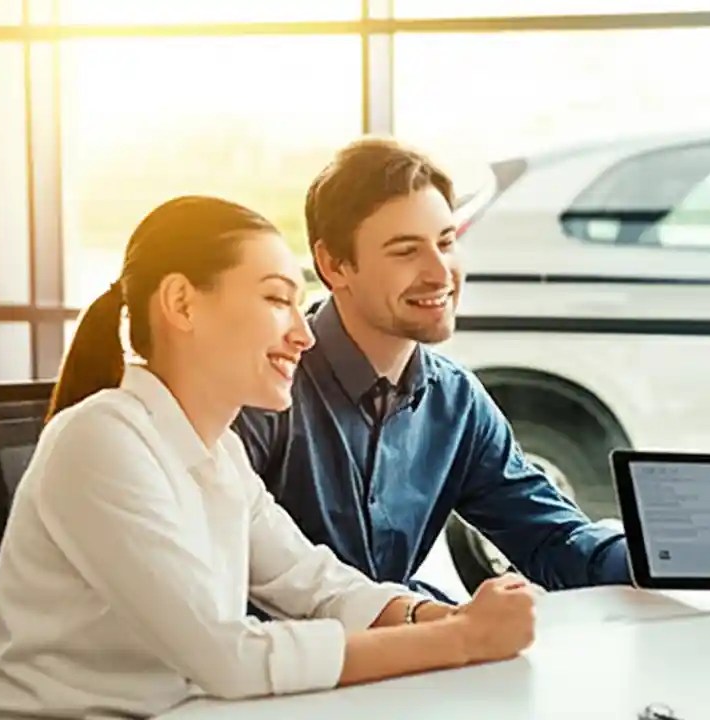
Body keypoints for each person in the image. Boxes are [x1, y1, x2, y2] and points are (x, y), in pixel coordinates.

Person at [0, 196, 535, 719]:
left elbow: (315, 584)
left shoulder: (221, 454)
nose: (303, 335)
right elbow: (226, 655)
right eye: (276, 299)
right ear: (182, 303)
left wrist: (444, 617)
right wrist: (458, 642)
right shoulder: (100, 439)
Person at [232, 138, 629, 605]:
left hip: (402, 657)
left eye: (445, 242)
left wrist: (659, 554)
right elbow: (230, 592)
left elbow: (552, 541)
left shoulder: (455, 401)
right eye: (406, 251)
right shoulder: (262, 387)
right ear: (334, 265)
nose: (441, 274)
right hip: (288, 668)